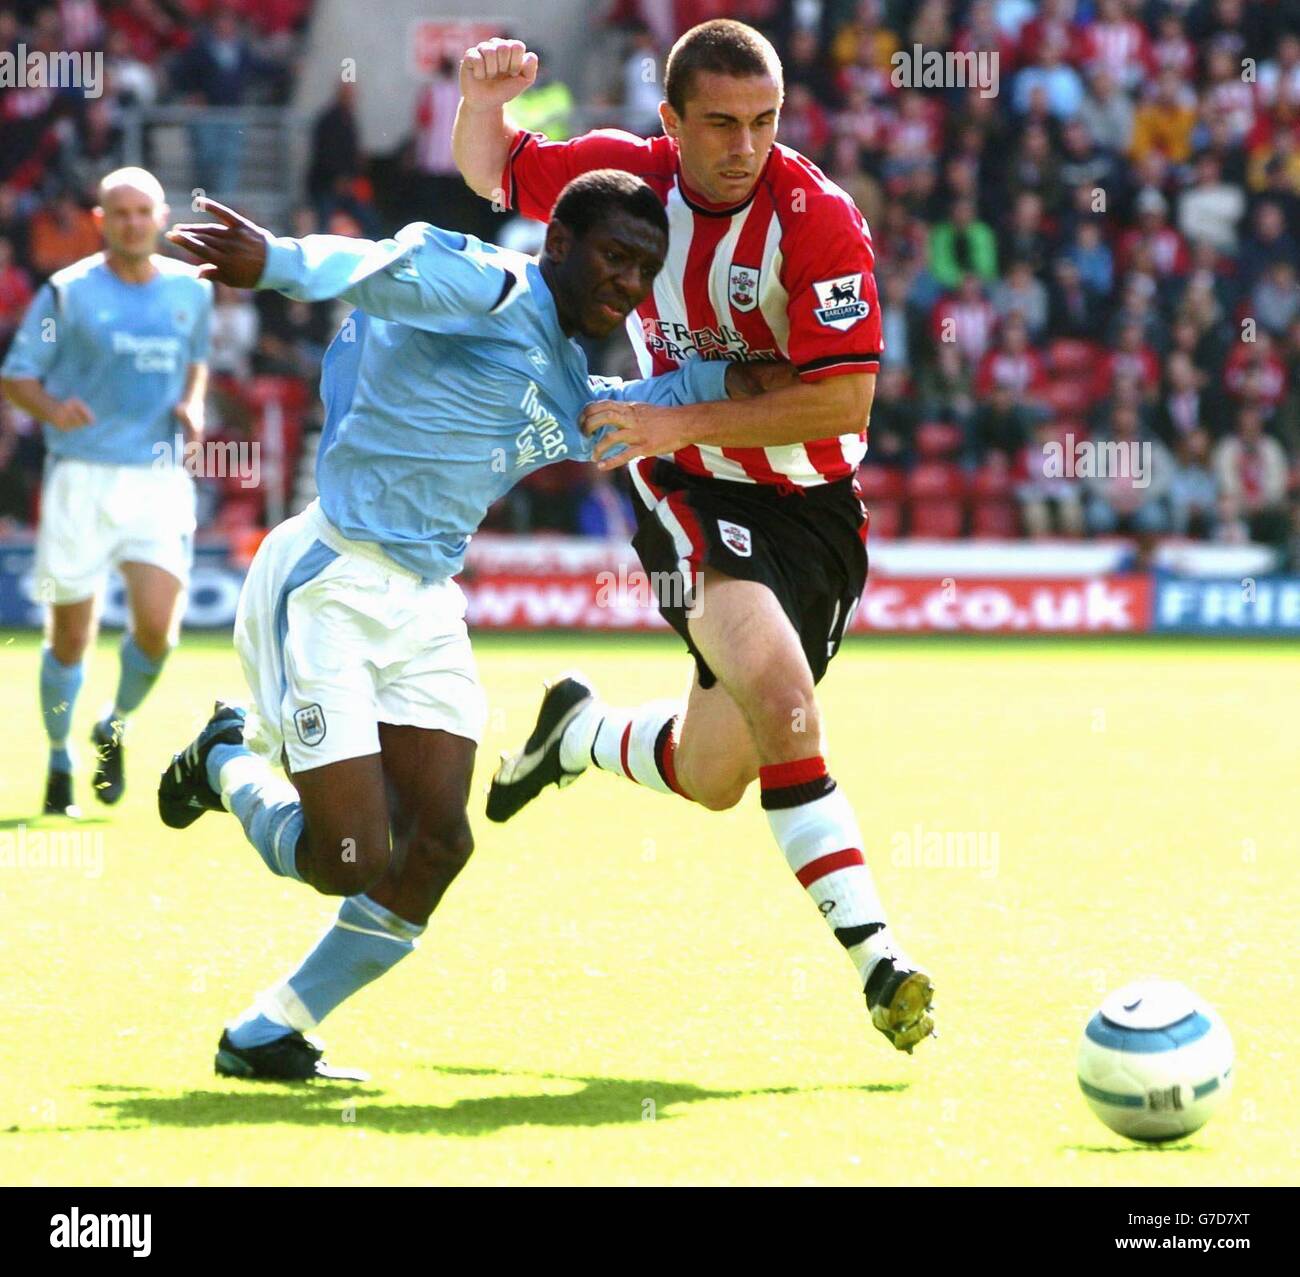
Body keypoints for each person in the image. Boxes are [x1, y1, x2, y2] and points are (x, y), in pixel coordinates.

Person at [157, 177, 786, 1080]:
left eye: (645, 269)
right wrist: (279, 262)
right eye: (615, 256)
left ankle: (270, 1030)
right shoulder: (490, 283)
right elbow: (380, 268)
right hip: (333, 583)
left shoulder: (565, 376)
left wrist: (733, 380)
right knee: (349, 855)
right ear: (559, 243)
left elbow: (622, 407)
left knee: (439, 845)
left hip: (424, 606)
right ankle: (225, 758)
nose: (629, 283)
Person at [454, 21, 935, 1053]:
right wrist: (481, 103)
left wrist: (679, 414)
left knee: (717, 773)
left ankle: (577, 733)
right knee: (786, 702)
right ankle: (882, 966)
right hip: (688, 485)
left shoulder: (817, 218)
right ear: (670, 121)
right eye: (720, 123)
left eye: (765, 121)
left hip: (811, 506)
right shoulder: (628, 179)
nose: (745, 145)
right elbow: (494, 168)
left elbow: (844, 400)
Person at [1, 167, 211, 816]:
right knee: (71, 637)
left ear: (162, 217)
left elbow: (197, 361)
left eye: (143, 211)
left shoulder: (192, 291)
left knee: (158, 633)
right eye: (120, 212)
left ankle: (113, 723)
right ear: (101, 221)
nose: (132, 222)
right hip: (81, 479)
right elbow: (16, 376)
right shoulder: (66, 294)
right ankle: (59, 759)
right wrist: (51, 408)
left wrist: (194, 405)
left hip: (158, 479)